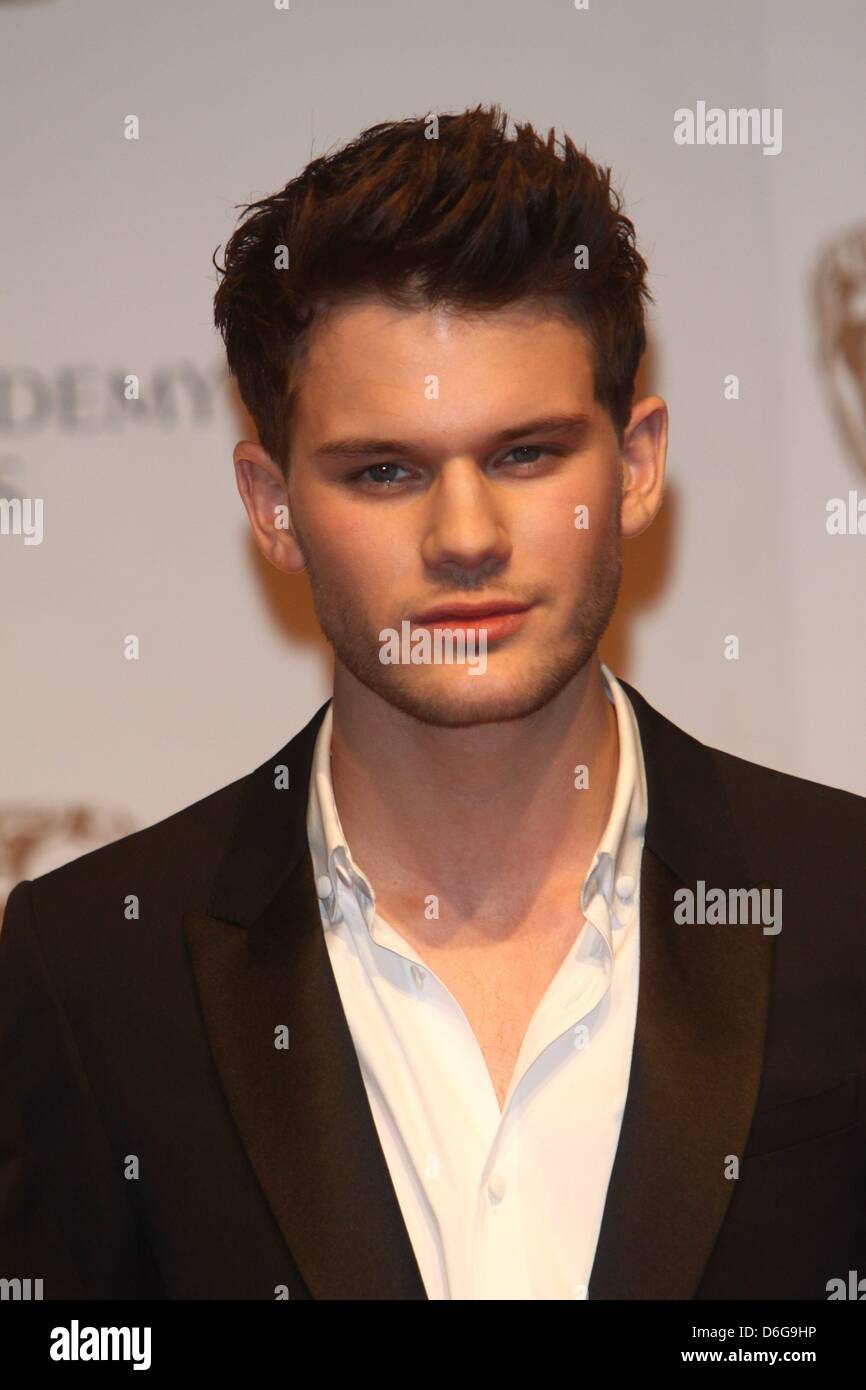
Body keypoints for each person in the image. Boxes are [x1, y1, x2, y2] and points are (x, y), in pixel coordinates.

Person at [1, 105, 863, 1301]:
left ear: (635, 464)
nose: (464, 538)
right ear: (271, 505)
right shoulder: (92, 968)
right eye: (385, 471)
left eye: (524, 454)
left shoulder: (844, 907)